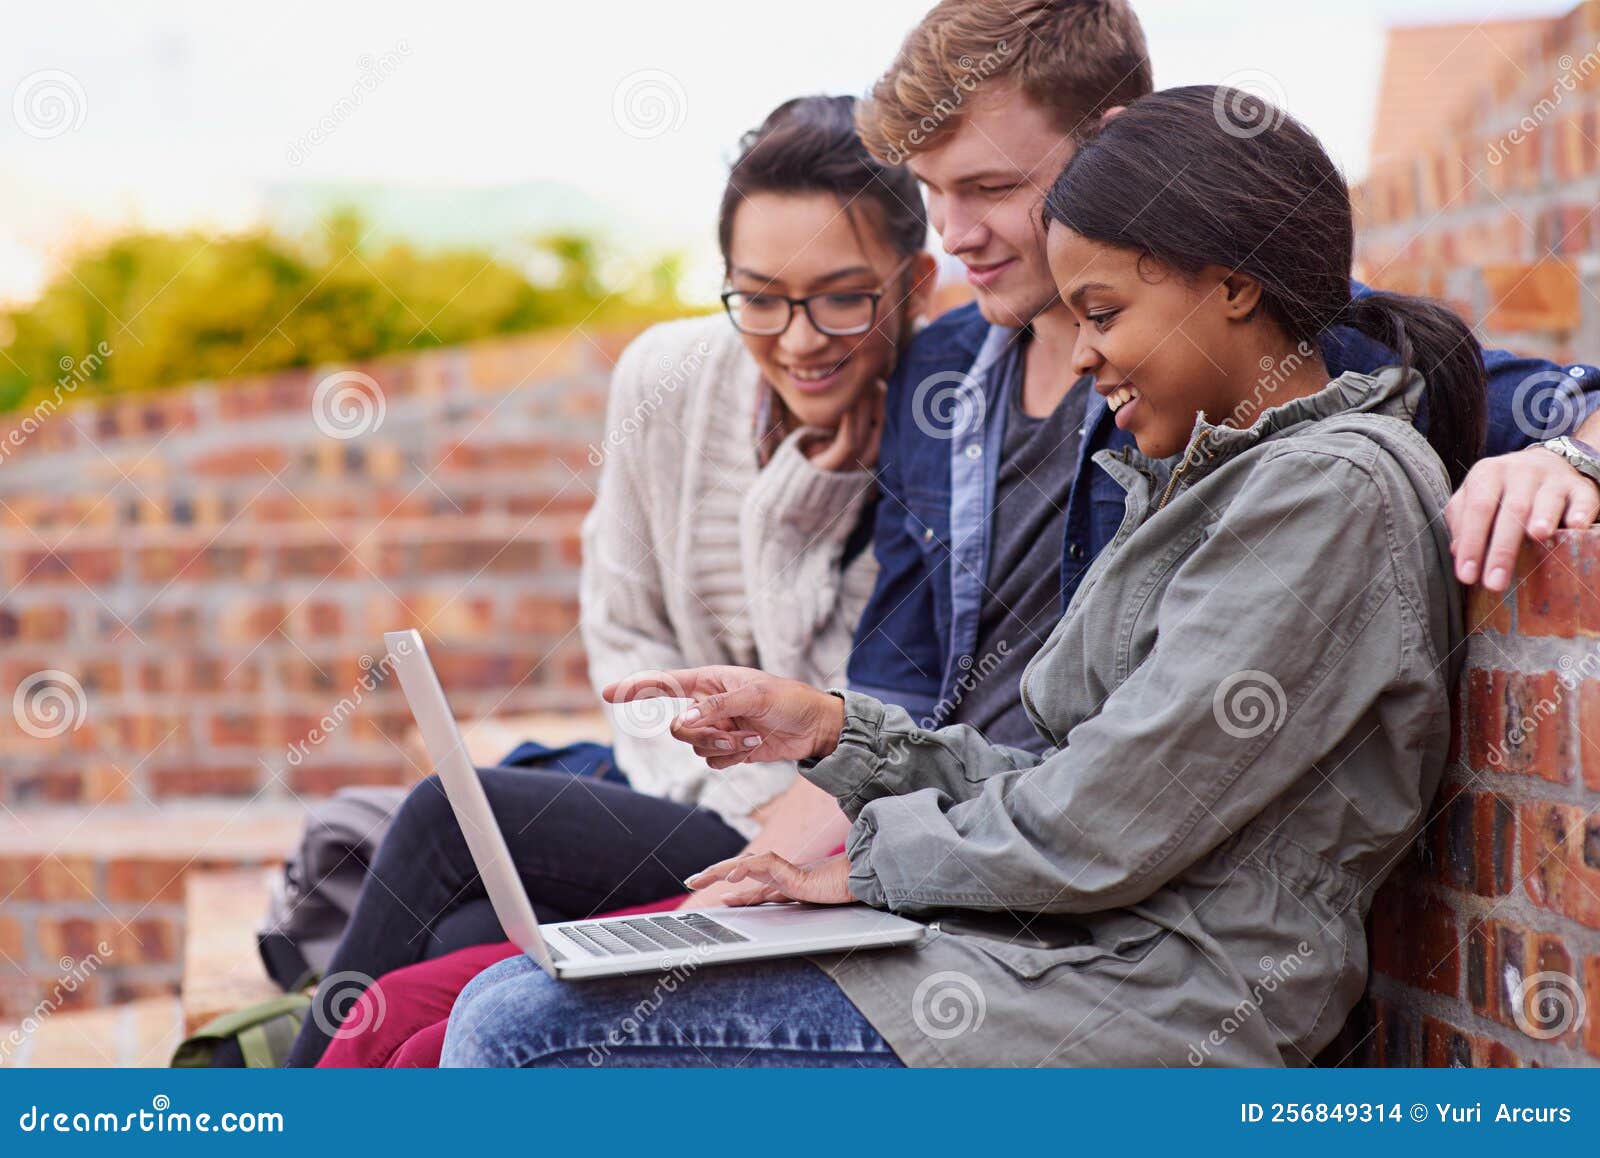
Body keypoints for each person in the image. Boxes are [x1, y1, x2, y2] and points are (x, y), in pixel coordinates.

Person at [442, 84, 1481, 1068]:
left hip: (1144, 1008)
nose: (1079, 357)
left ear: (1236, 285)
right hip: (1042, 957)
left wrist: (859, 866)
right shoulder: (1211, 481)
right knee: (507, 1000)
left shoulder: (1326, 496)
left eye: (1104, 313)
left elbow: (1101, 824)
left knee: (526, 1033)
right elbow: (1068, 787)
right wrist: (833, 734)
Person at [283, 94, 936, 1067]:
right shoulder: (666, 377)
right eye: (758, 296)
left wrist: (805, 497)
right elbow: (625, 639)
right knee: (467, 942)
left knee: (442, 820)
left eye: (843, 297)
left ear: (914, 282)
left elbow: (862, 711)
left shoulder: (945, 427)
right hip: (704, 800)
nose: (799, 340)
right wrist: (747, 801)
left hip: (823, 846)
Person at [844, 0, 1600, 742]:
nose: (954, 234)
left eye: (992, 187)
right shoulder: (938, 369)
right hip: (932, 811)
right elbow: (899, 691)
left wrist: (1567, 456)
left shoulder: (1277, 342)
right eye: (929, 190)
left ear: (1110, 141)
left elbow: (1574, 407)